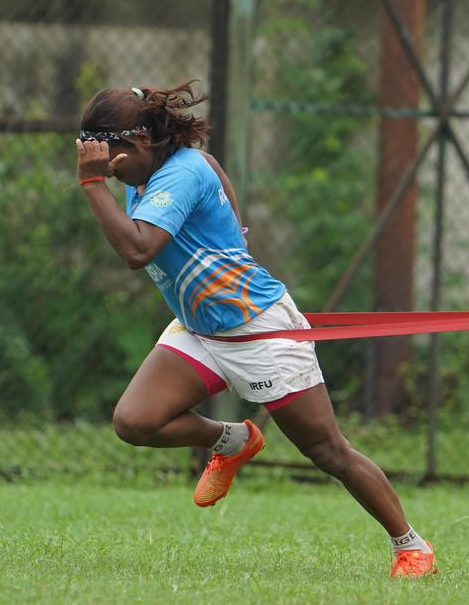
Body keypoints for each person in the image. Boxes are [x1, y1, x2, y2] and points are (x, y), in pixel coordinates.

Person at [76, 81, 435, 578]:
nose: (107, 170)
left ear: (138, 144)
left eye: (110, 159)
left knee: (328, 451)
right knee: (135, 421)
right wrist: (235, 237)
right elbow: (216, 170)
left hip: (258, 330)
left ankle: (411, 545)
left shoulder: (178, 175)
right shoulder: (159, 168)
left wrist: (92, 185)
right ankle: (234, 441)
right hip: (201, 329)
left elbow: (137, 251)